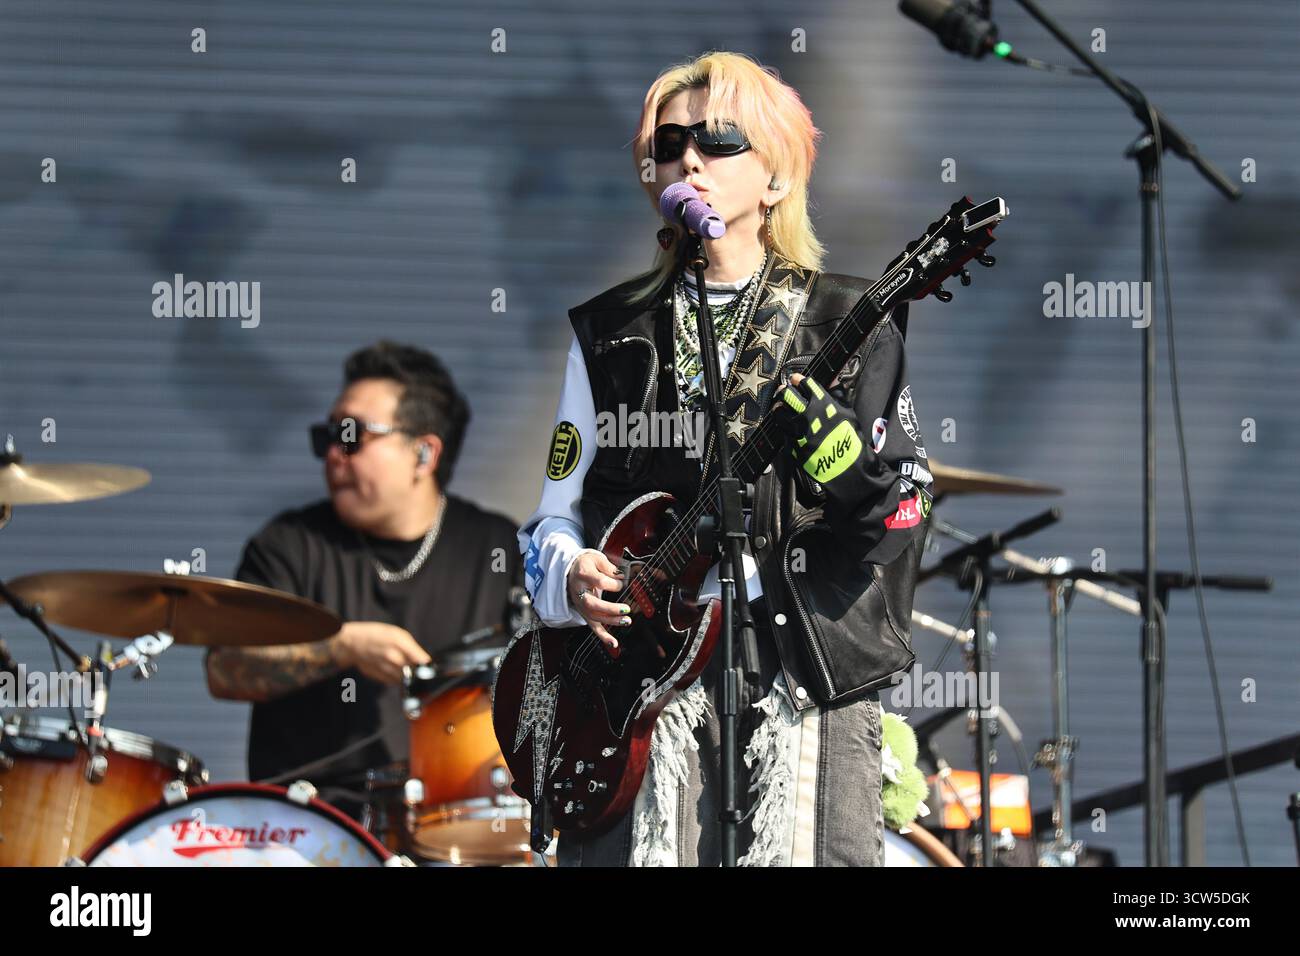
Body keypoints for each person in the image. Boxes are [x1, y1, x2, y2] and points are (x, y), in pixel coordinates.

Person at [516, 51, 933, 866]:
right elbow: (550, 520)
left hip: (799, 674)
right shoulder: (608, 333)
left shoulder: (850, 323)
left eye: (719, 138)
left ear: (775, 180)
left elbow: (910, 510)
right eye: (671, 144)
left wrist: (854, 476)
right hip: (642, 688)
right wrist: (570, 575)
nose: (691, 158)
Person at [206, 341, 523, 820]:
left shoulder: (499, 549)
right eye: (326, 437)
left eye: (352, 435)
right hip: (306, 829)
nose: (333, 454)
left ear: (423, 453)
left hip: (456, 827)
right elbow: (224, 670)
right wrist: (342, 645)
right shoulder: (288, 545)